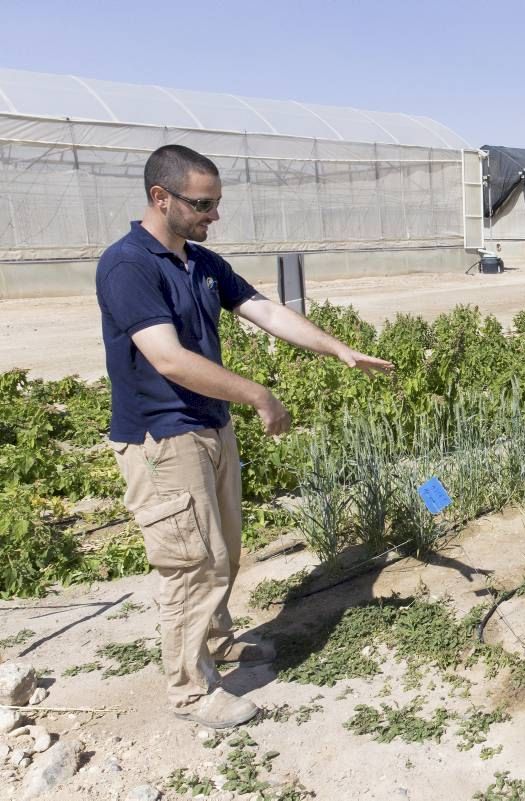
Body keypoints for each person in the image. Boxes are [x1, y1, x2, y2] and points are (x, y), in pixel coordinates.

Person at [96, 145, 393, 729]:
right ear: (162, 198)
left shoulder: (199, 261)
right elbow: (168, 359)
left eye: (216, 203)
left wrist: (338, 349)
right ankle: (188, 691)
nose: (214, 215)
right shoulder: (129, 265)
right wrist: (259, 394)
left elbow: (265, 310)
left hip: (209, 426)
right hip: (163, 439)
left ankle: (218, 640)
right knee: (191, 564)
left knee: (224, 551)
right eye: (203, 204)